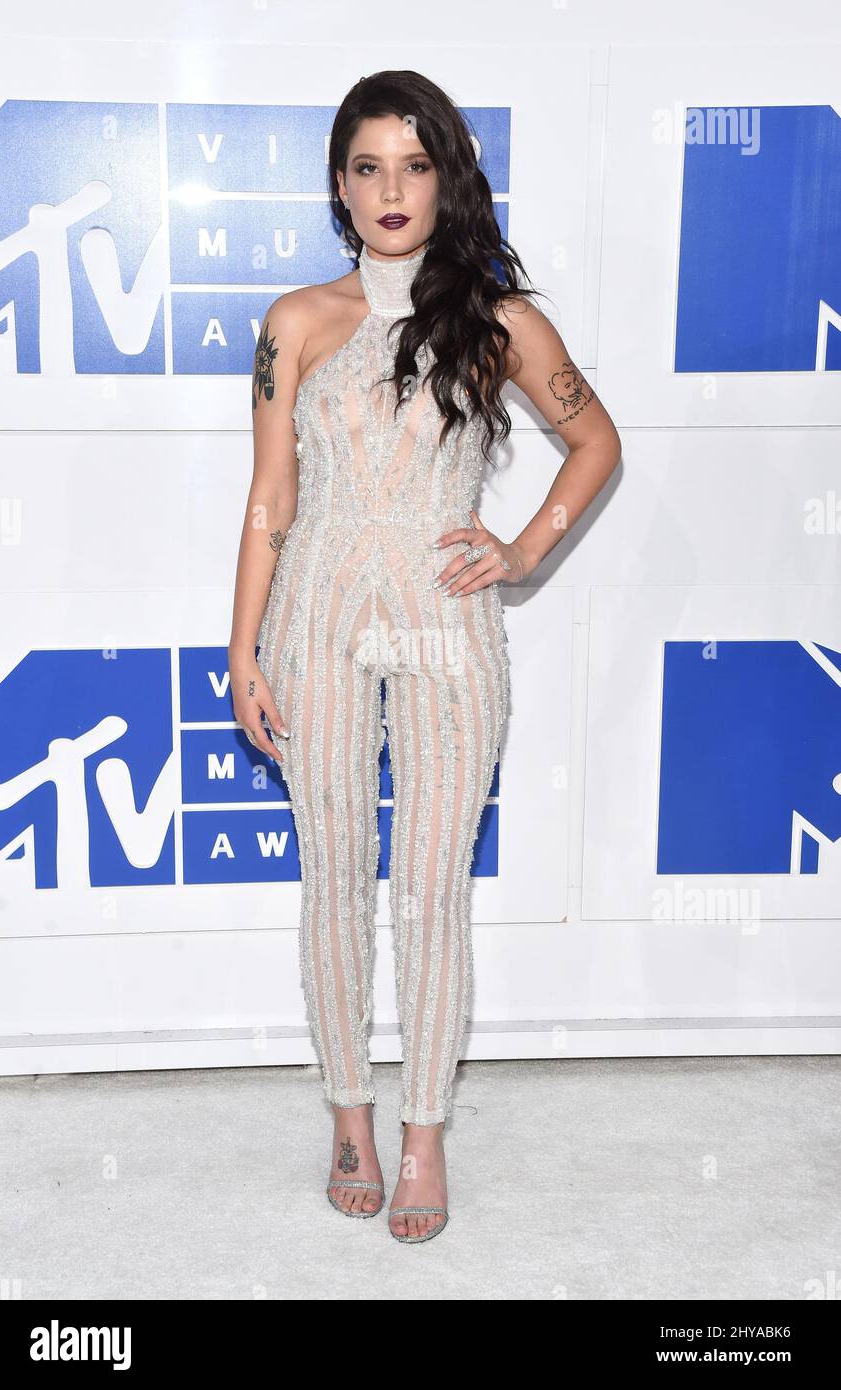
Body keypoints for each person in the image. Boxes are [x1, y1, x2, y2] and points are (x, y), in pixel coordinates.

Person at [229, 70, 621, 1244]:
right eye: (366, 166)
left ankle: (424, 1131)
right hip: (317, 621)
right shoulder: (295, 323)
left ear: (447, 179)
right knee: (335, 874)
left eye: (414, 163)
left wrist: (522, 549)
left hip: (448, 625)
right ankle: (350, 1113)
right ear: (338, 186)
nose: (390, 189)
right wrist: (241, 643)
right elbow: (271, 496)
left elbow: (594, 438)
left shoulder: (498, 322)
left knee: (430, 886)